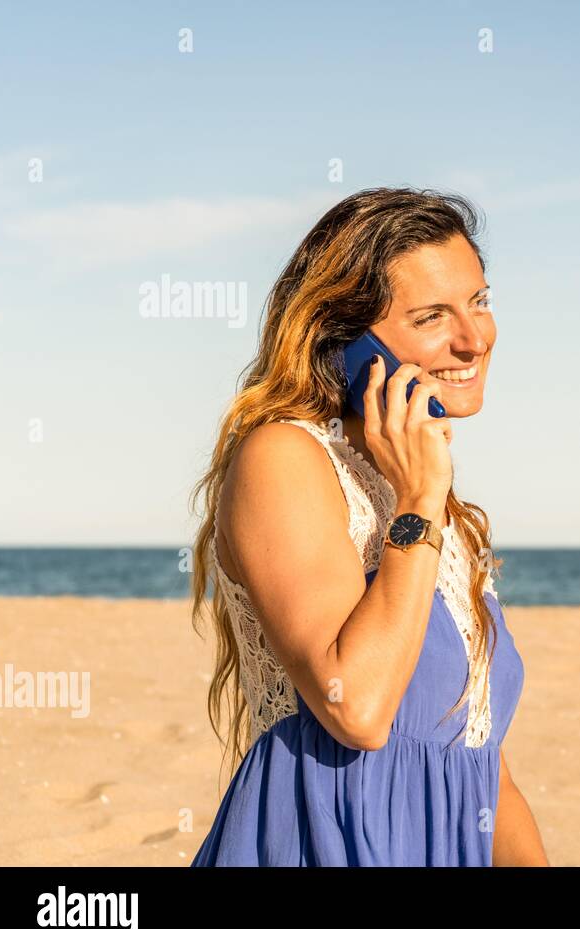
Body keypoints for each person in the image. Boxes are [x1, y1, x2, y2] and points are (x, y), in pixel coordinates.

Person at [187, 187, 549, 865]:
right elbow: (356, 709)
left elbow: (485, 769)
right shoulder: (284, 460)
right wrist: (417, 502)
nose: (474, 339)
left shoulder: (443, 516)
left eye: (479, 301)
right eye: (432, 315)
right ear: (346, 341)